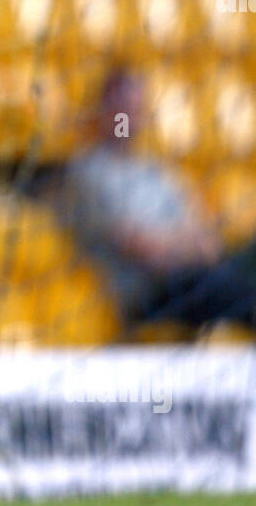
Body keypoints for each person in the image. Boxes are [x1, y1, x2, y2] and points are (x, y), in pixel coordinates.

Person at [56, 68, 256, 332]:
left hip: (193, 281)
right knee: (235, 293)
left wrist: (170, 244)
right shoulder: (90, 171)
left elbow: (210, 244)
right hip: (145, 297)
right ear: (102, 112)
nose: (127, 119)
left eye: (135, 109)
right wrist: (182, 244)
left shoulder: (157, 172)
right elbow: (141, 249)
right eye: (121, 110)